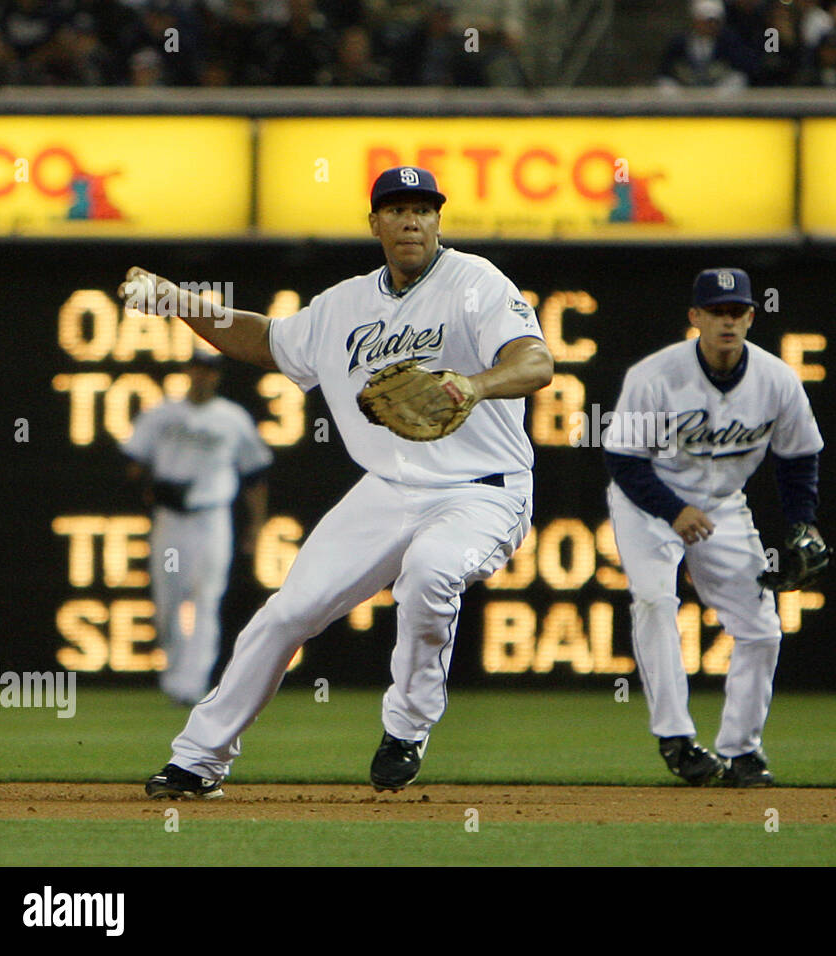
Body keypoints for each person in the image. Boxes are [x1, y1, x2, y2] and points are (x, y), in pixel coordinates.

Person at [127, 165, 553, 799]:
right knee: (287, 613)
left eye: (424, 209)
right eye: (397, 209)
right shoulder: (344, 304)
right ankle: (197, 760)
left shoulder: (476, 282)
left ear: (438, 219)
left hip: (482, 490)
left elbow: (537, 361)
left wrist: (476, 384)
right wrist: (176, 301)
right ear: (374, 222)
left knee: (431, 573)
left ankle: (407, 727)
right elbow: (265, 341)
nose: (412, 220)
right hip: (388, 488)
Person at [603, 269, 825, 788]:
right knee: (655, 601)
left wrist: (802, 525)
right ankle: (676, 739)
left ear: (750, 316)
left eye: (737, 312)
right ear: (695, 318)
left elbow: (799, 459)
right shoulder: (653, 375)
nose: (728, 321)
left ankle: (743, 751)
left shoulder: (777, 380)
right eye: (717, 312)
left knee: (762, 627)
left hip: (722, 506)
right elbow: (624, 461)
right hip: (648, 503)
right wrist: (672, 510)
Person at [122, 350, 271, 708]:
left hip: (212, 518)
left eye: (209, 371)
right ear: (188, 371)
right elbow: (132, 464)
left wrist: (256, 526)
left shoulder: (232, 419)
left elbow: (255, 475)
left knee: (207, 599)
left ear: (216, 376)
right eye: (198, 368)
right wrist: (150, 486)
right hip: (171, 521)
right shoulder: (161, 415)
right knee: (168, 602)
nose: (202, 375)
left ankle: (192, 684)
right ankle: (175, 676)